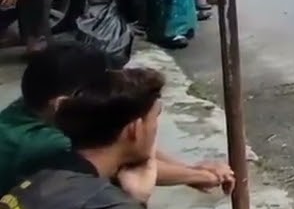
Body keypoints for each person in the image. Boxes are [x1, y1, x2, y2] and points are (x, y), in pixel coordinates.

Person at [0, 43, 232, 194]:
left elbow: (124, 137)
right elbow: (119, 156)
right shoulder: (47, 144)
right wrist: (199, 175)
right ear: (61, 102)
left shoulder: (33, 104)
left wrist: (189, 169)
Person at [0, 66, 187, 209]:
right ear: (135, 130)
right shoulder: (96, 199)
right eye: (155, 119)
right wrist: (134, 201)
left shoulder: (47, 172)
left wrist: (135, 199)